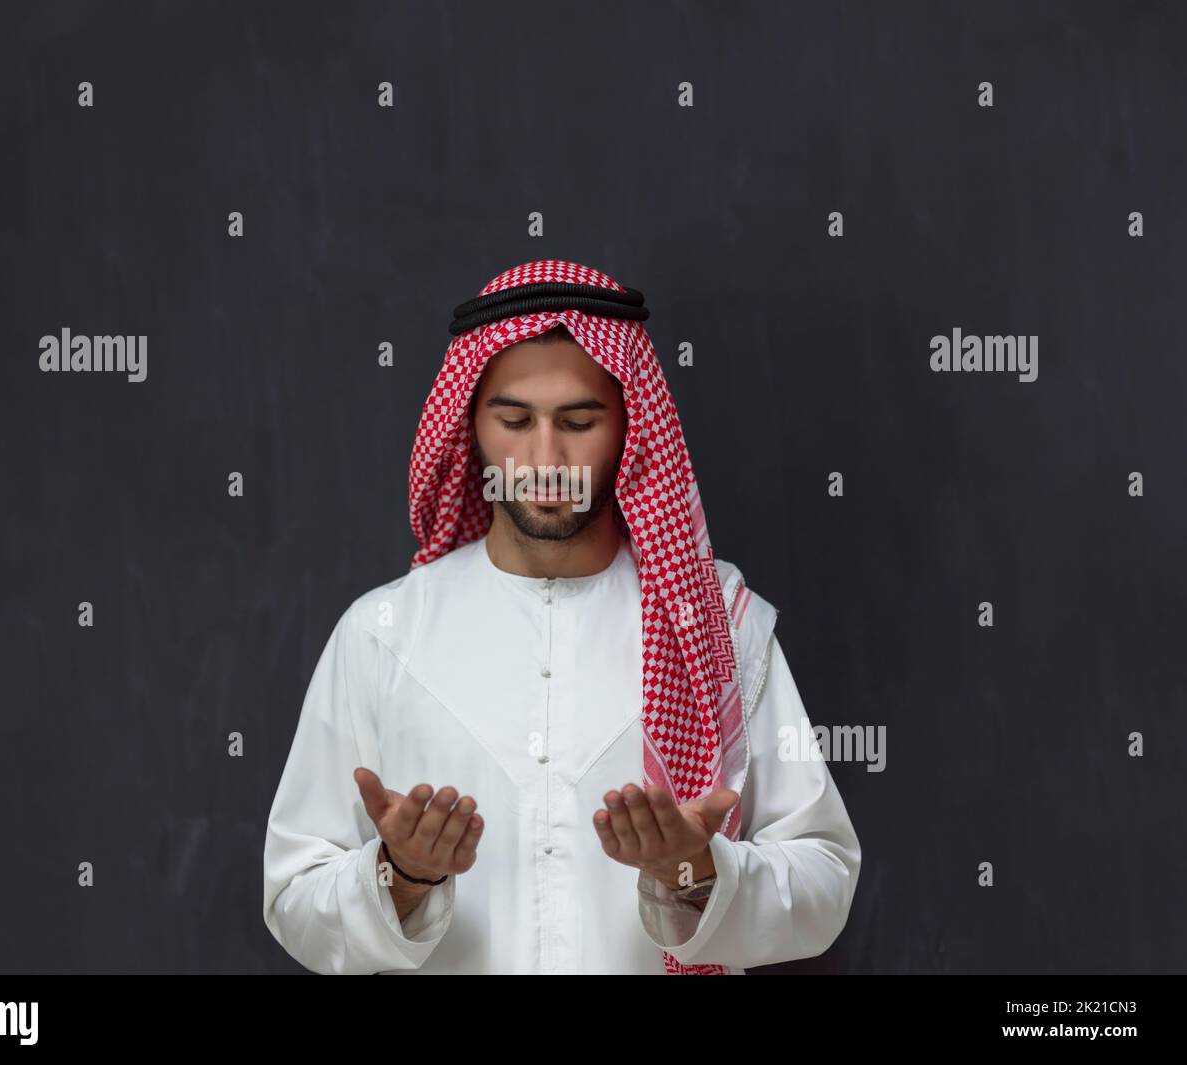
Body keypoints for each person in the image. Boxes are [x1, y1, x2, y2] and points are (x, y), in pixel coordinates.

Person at [263, 259, 861, 974]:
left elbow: (824, 879)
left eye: (579, 421)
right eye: (514, 420)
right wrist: (402, 875)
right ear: (471, 428)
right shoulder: (383, 635)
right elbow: (294, 894)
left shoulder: (715, 627)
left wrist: (696, 871)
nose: (546, 458)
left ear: (631, 428)